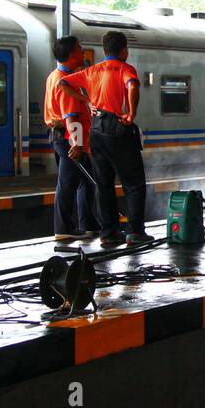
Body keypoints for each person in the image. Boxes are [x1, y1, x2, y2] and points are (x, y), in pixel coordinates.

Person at [61, 30, 153, 247]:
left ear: (104, 50)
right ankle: (135, 232)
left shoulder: (92, 70)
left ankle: (109, 233)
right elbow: (132, 85)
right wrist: (131, 113)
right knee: (134, 182)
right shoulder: (125, 68)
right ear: (124, 51)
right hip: (116, 127)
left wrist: (86, 100)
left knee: (103, 184)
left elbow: (63, 84)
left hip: (96, 130)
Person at [44, 36, 99, 248]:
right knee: (67, 183)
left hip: (62, 136)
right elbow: (70, 116)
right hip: (69, 139)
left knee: (84, 180)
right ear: (71, 54)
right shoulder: (65, 82)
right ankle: (63, 230)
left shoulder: (54, 76)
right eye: (79, 49)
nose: (83, 51)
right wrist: (76, 143)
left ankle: (89, 224)